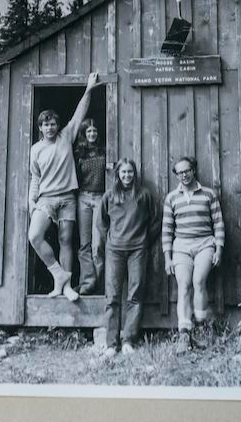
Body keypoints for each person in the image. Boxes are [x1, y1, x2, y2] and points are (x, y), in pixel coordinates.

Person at [28, 71, 99, 302]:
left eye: (53, 124)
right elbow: (35, 177)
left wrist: (89, 88)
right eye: (46, 125)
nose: (50, 127)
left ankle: (66, 287)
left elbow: (80, 113)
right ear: (40, 128)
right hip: (46, 199)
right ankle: (58, 274)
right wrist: (32, 200)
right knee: (35, 236)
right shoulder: (36, 150)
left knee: (66, 240)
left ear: (58, 125)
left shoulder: (66, 136)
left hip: (68, 197)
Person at [95, 158, 160, 356]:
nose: (127, 176)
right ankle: (111, 344)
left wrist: (144, 240)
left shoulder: (144, 195)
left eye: (130, 172)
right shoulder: (109, 196)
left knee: (135, 295)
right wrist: (112, 241)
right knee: (113, 296)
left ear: (135, 174)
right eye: (123, 172)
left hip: (138, 250)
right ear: (117, 174)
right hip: (115, 250)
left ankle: (128, 340)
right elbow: (101, 223)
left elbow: (155, 220)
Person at [162, 156, 224, 352]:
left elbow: (218, 223)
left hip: (205, 243)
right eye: (179, 172)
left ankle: (201, 328)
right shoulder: (172, 197)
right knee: (184, 285)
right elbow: (167, 229)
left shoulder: (208, 194)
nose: (184, 175)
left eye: (187, 171)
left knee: (198, 281)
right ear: (176, 175)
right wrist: (167, 257)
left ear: (193, 170)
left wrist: (219, 248)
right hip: (181, 246)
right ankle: (184, 333)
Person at [74, 118, 107, 294]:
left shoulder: (105, 151)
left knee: (98, 245)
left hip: (100, 198)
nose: (92, 134)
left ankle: (100, 285)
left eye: (94, 131)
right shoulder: (79, 154)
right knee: (84, 245)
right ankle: (87, 283)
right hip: (83, 198)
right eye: (89, 131)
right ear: (84, 134)